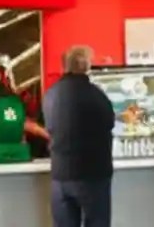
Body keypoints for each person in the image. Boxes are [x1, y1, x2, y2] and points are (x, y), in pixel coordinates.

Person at [44, 45, 115, 227]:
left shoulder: (50, 94)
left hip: (59, 175)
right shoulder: (95, 94)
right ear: (86, 66)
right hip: (91, 174)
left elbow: (50, 127)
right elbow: (109, 123)